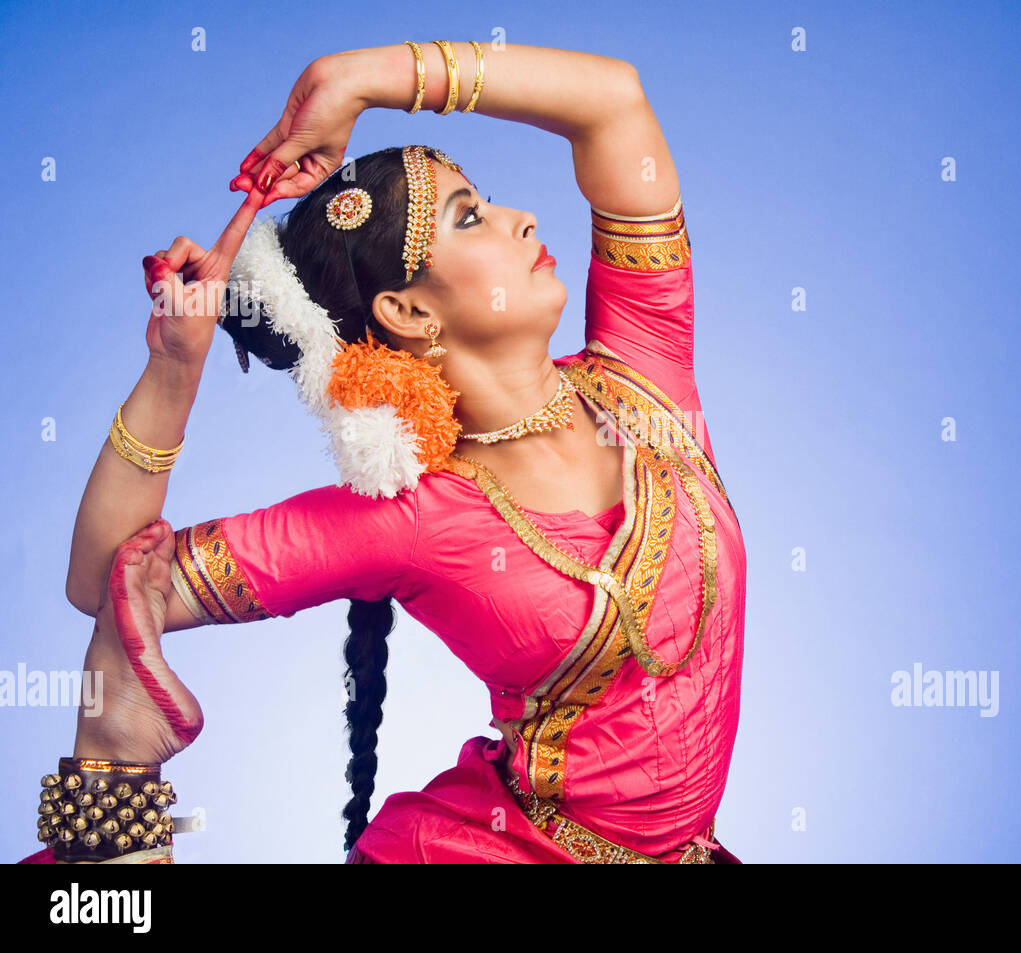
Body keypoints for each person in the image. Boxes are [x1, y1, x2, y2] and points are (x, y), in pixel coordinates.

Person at [26, 40, 745, 864]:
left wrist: (360, 81)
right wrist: (175, 367)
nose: (524, 219)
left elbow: (613, 102)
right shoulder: (411, 515)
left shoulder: (645, 373)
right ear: (407, 312)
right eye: (470, 216)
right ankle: (112, 771)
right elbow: (107, 579)